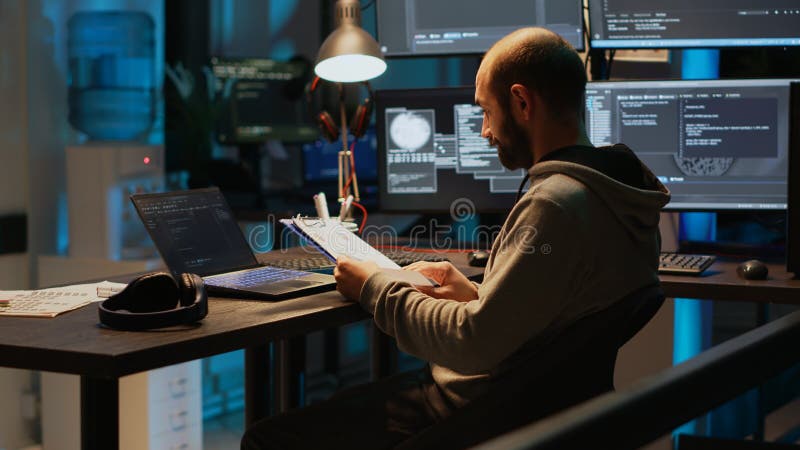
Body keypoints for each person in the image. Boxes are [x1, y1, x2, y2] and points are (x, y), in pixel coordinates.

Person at [241, 27, 670, 450]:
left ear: (521, 102)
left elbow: (473, 343)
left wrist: (374, 285)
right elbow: (552, 317)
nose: (484, 130)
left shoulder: (555, 204)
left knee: (265, 438)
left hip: (472, 413)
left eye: (486, 111)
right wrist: (475, 293)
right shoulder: (618, 196)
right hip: (539, 409)